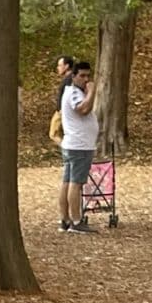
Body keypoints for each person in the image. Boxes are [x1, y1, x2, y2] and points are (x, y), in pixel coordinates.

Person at [56, 59, 99, 232]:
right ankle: (76, 221)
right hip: (79, 145)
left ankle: (65, 219)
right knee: (75, 183)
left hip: (76, 144)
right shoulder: (74, 92)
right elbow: (83, 109)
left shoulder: (75, 91)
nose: (86, 79)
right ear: (73, 76)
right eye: (82, 76)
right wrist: (92, 92)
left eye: (88, 76)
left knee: (67, 182)